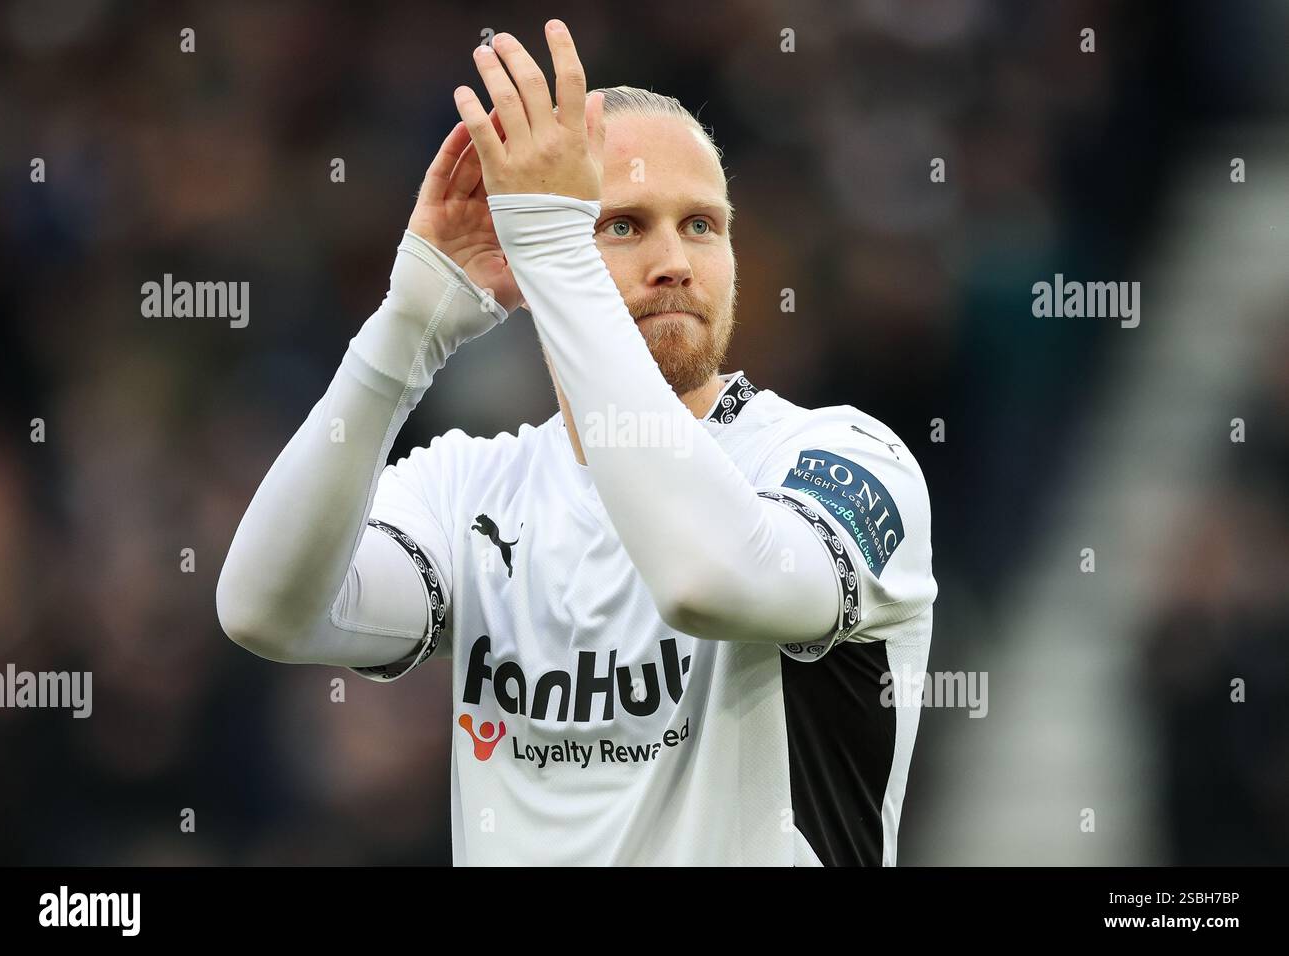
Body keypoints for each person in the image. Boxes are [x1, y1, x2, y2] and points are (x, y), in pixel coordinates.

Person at [217, 20, 936, 865]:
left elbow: (706, 582)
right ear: (531, 257)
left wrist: (560, 245)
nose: (674, 259)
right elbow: (268, 611)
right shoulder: (472, 488)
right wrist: (407, 327)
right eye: (624, 225)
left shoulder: (844, 461)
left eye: (703, 225)